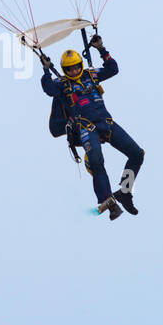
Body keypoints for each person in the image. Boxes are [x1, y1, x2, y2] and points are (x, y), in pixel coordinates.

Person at [41, 36, 144, 219]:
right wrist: (46, 70)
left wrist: (101, 49)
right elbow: (48, 89)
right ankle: (108, 200)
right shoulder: (62, 84)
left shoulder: (91, 74)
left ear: (80, 65)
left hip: (106, 123)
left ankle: (125, 192)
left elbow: (113, 69)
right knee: (96, 160)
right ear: (64, 70)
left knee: (137, 154)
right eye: (69, 69)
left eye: (76, 67)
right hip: (86, 128)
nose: (73, 71)